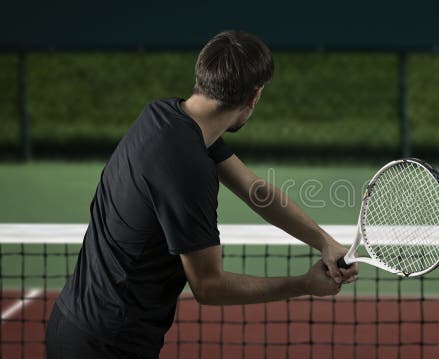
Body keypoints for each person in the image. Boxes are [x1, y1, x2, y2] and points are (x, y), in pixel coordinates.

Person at [45, 30, 358, 358]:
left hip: (73, 321)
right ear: (254, 96)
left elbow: (255, 189)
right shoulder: (188, 167)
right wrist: (304, 284)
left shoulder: (164, 115)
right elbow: (209, 286)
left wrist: (324, 242)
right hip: (109, 344)